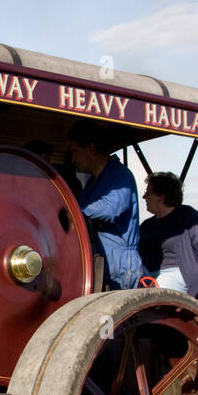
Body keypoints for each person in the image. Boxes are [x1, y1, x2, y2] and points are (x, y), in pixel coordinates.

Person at [68, 122, 146, 289]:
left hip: (120, 265)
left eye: (75, 151)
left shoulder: (120, 176)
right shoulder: (93, 182)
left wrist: (71, 211)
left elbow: (110, 209)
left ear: (91, 149)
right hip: (101, 260)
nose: (72, 159)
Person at [138, 172, 198, 302]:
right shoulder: (146, 225)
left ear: (161, 196)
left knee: (149, 297)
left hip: (178, 272)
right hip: (148, 276)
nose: (144, 196)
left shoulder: (186, 215)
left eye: (148, 192)